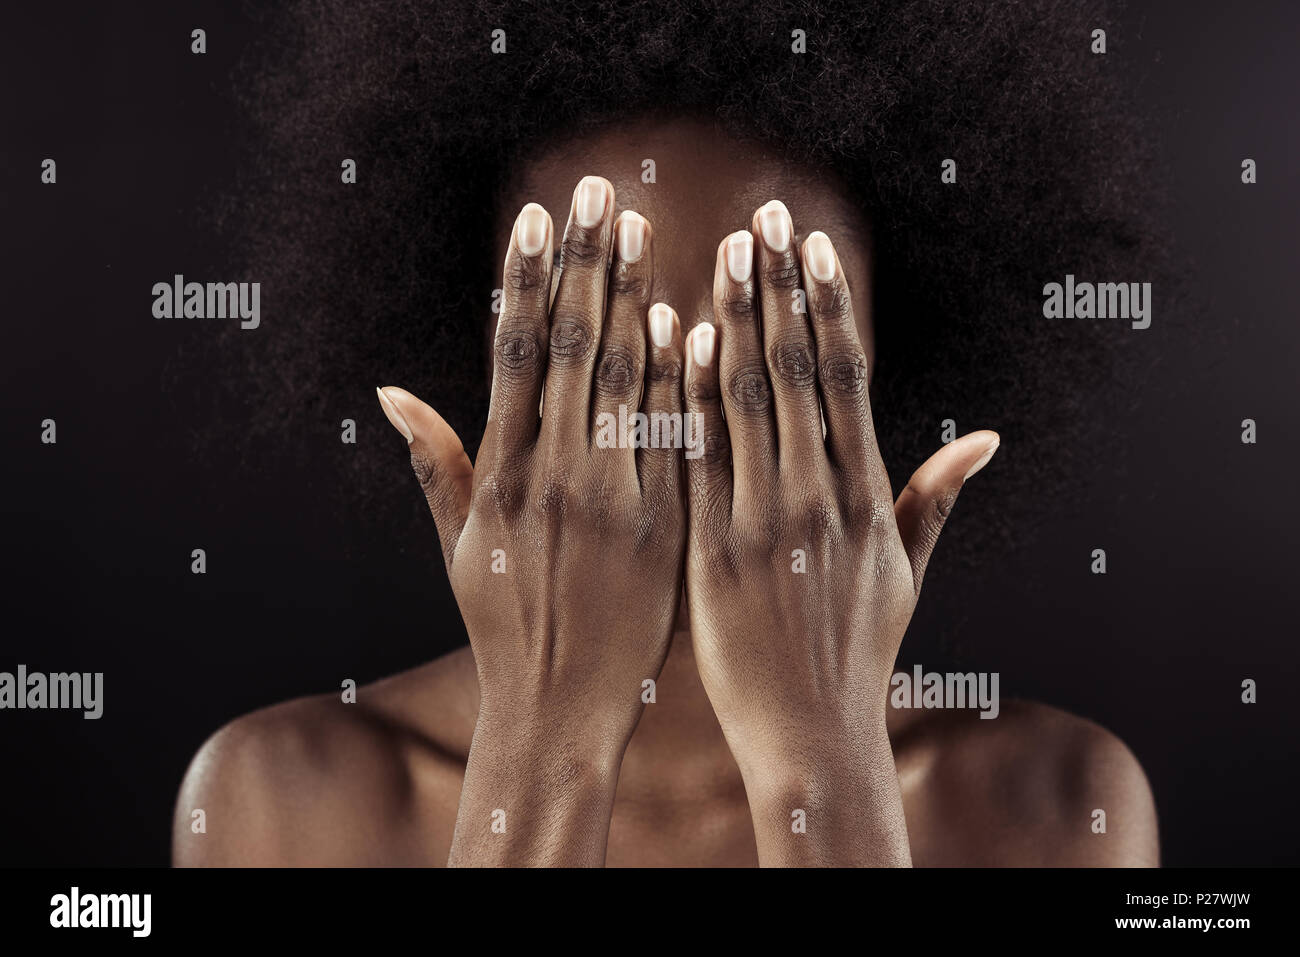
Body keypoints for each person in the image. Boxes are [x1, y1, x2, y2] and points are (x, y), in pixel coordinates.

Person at [173, 1, 1159, 867]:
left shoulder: (1061, 805)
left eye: (777, 349)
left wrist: (818, 765)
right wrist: (544, 739)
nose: (687, 431)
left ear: (875, 378)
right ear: (492, 374)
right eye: (597, 344)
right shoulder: (279, 799)